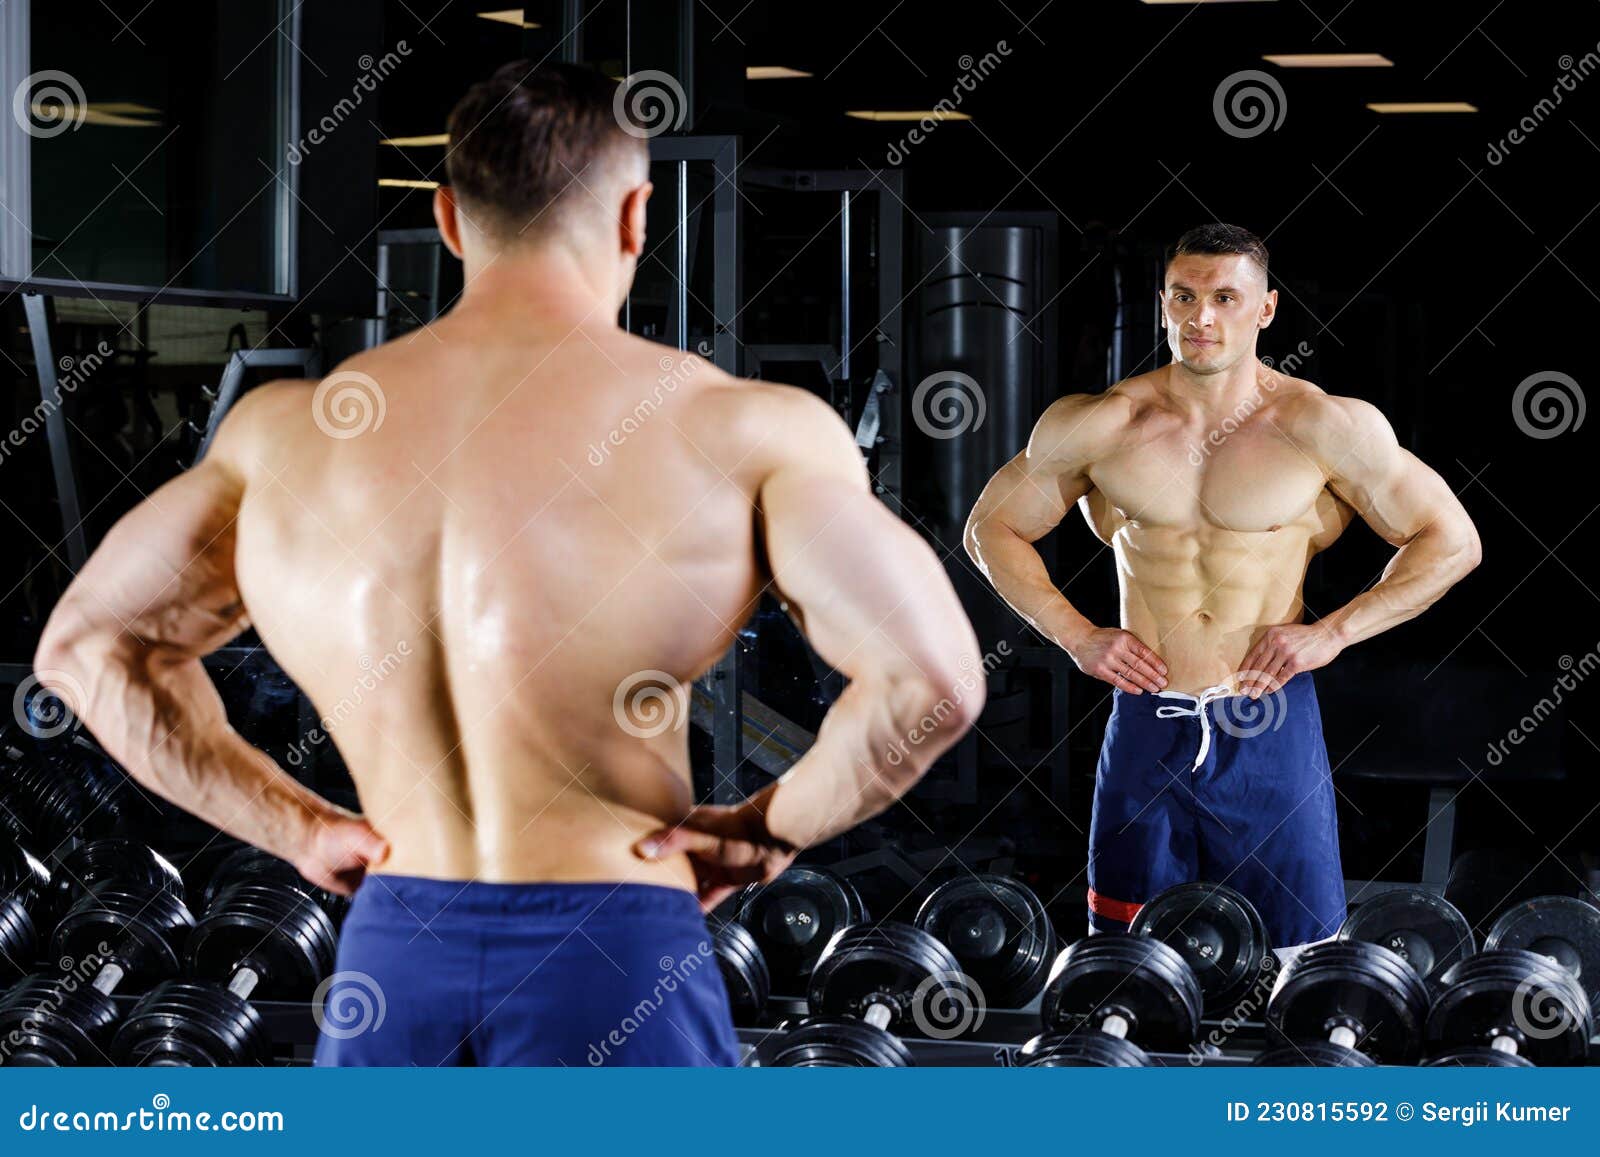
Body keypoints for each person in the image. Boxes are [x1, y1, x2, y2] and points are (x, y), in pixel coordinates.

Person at [35, 61, 982, 1066]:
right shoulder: (738, 428)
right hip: (615, 950)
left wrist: (297, 826)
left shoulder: (285, 435)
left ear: (447, 218)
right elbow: (934, 682)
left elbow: (88, 647)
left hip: (394, 953)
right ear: (636, 216)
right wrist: (768, 825)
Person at [964, 223, 1481, 955]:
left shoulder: (1321, 424)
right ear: (1162, 304)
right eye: (1184, 296)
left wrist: (1332, 631)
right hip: (1148, 715)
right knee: (1126, 961)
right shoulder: (1105, 423)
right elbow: (991, 527)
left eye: (1225, 298)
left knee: (1296, 961)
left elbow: (1452, 541)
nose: (1201, 317)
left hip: (1267, 719)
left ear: (1265, 310)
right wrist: (1075, 632)